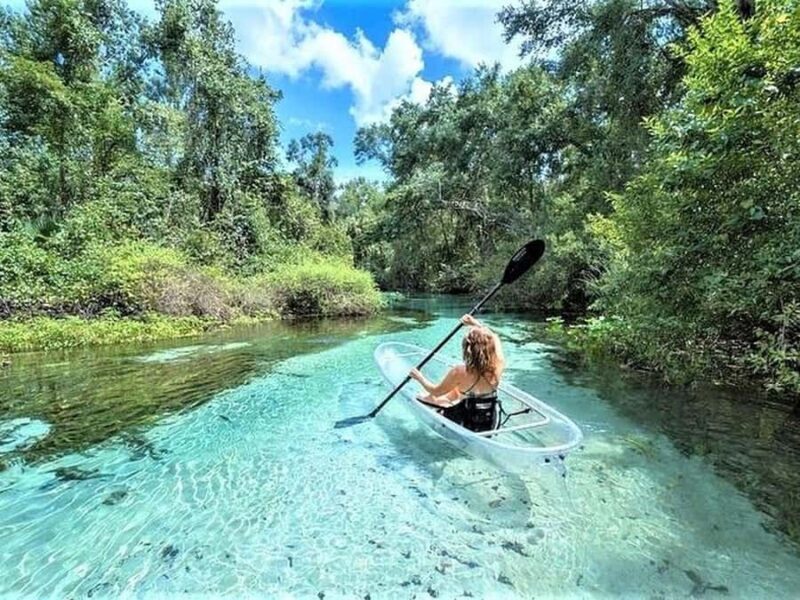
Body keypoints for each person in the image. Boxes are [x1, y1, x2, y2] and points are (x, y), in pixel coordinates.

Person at [409, 314, 505, 432]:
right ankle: (449, 400)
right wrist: (476, 324)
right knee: (457, 390)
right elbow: (494, 337)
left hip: (465, 422)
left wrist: (419, 377)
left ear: (468, 349)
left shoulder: (460, 371)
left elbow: (436, 391)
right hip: (488, 421)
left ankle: (441, 408)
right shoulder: (499, 365)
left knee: (422, 397)